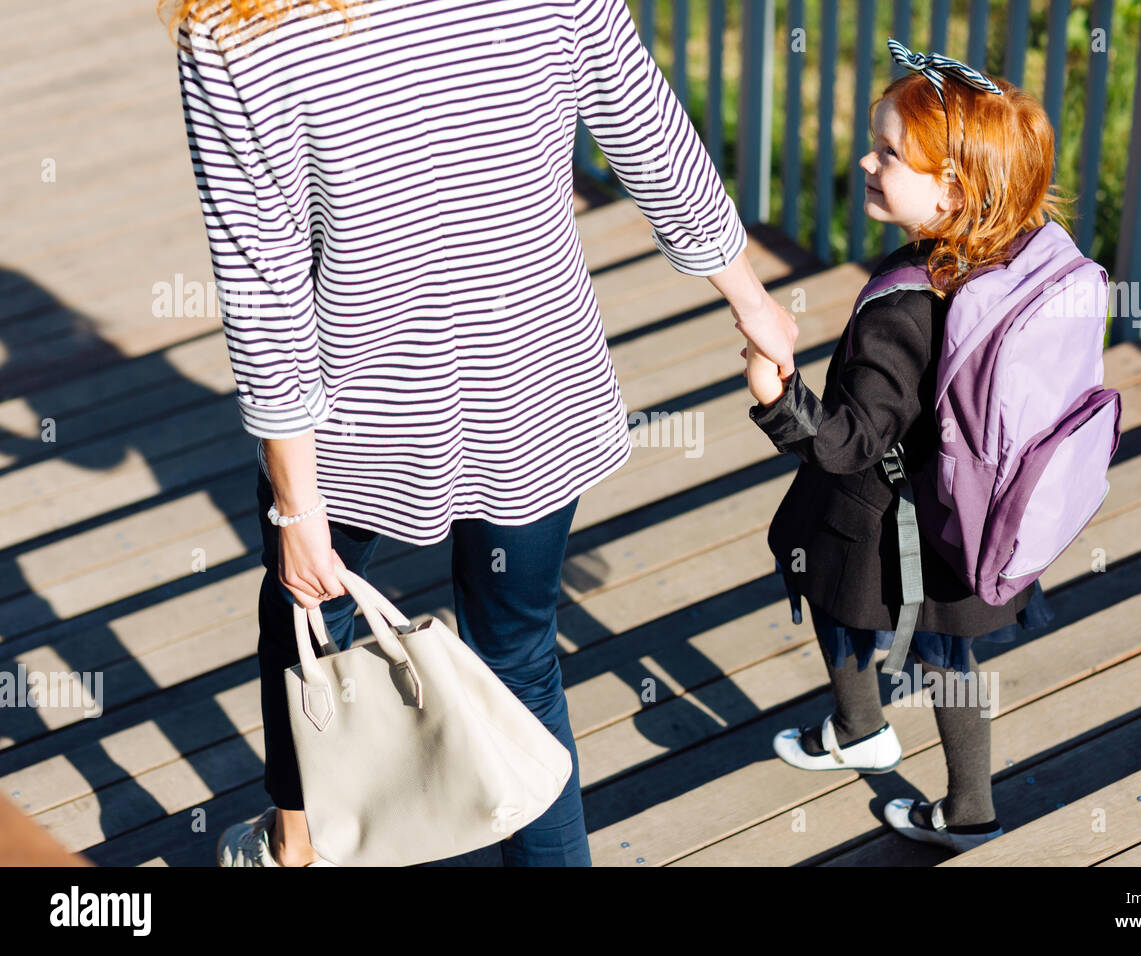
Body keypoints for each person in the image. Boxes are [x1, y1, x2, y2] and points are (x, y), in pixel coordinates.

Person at [164, 0, 797, 866]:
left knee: (310, 625)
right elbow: (644, 125)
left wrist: (295, 507)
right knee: (520, 663)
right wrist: (752, 299)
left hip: (357, 408)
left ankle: (299, 843)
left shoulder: (239, 23)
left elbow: (262, 281)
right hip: (535, 386)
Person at [742, 40, 1062, 854]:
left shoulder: (904, 309)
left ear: (953, 191)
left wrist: (778, 397)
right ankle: (971, 808)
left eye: (889, 153)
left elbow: (847, 444)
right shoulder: (1015, 254)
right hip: (972, 508)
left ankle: (858, 729)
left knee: (831, 596)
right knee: (949, 652)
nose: (866, 160)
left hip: (885, 517)